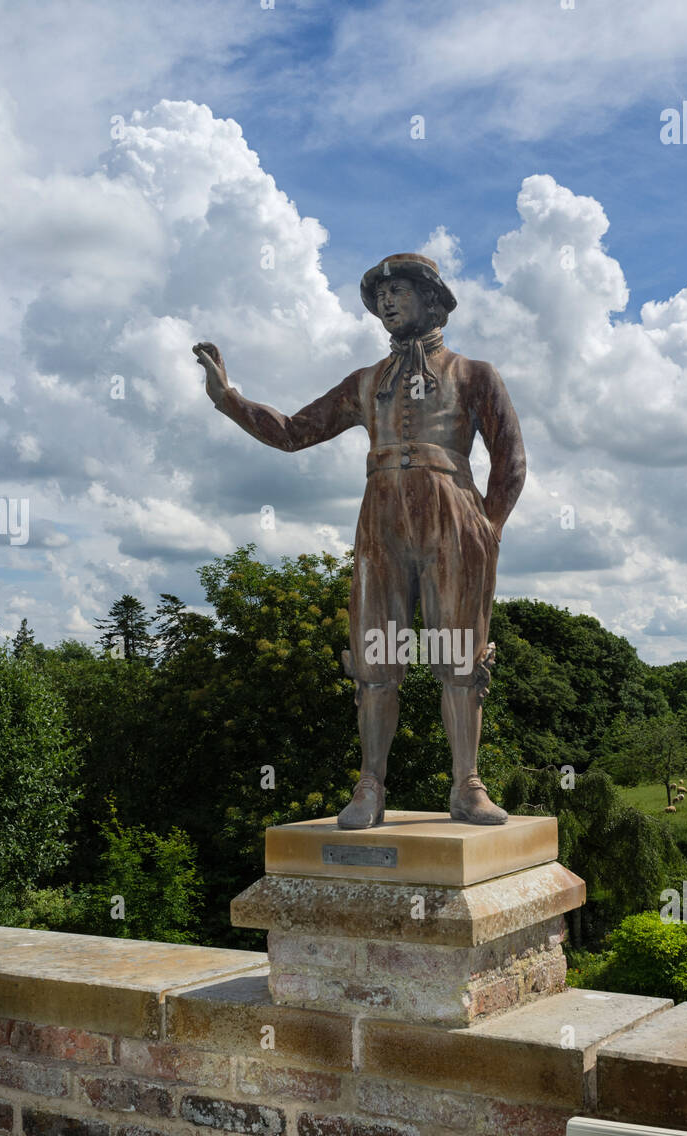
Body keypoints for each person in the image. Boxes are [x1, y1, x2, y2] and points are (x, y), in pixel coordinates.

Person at [194, 252, 526, 829]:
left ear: (431, 299)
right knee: (376, 656)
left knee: (458, 659)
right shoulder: (367, 381)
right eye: (380, 296)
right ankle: (370, 782)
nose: (387, 302)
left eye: (399, 290)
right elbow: (296, 432)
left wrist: (487, 529)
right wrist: (229, 399)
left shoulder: (475, 374)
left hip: (453, 517)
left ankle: (467, 784)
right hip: (381, 523)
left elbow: (511, 460)